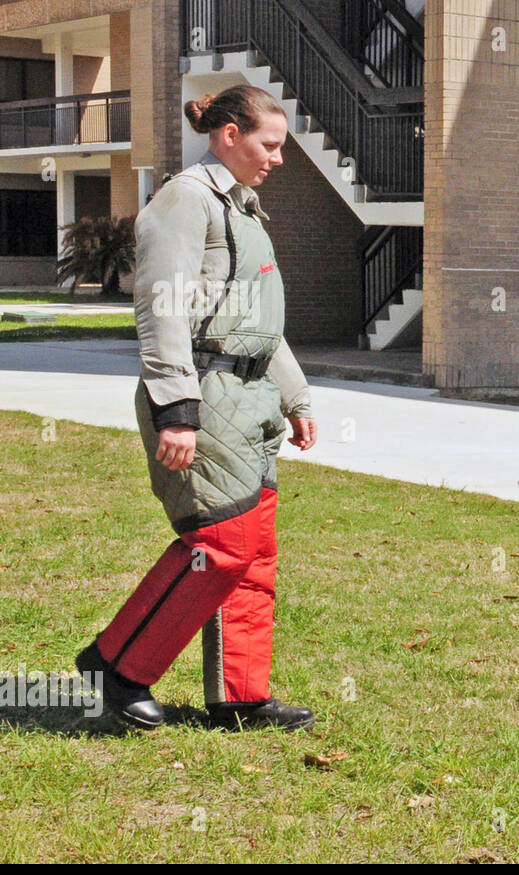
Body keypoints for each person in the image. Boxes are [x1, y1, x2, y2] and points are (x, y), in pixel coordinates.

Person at [75, 85, 318, 731]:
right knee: (221, 543)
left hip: (252, 398)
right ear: (229, 135)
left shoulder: (246, 211)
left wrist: (295, 397)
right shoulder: (185, 199)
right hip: (204, 394)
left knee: (255, 550)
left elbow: (262, 322)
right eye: (270, 144)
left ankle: (239, 698)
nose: (279, 157)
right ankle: (117, 664)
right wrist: (177, 408)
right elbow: (161, 310)